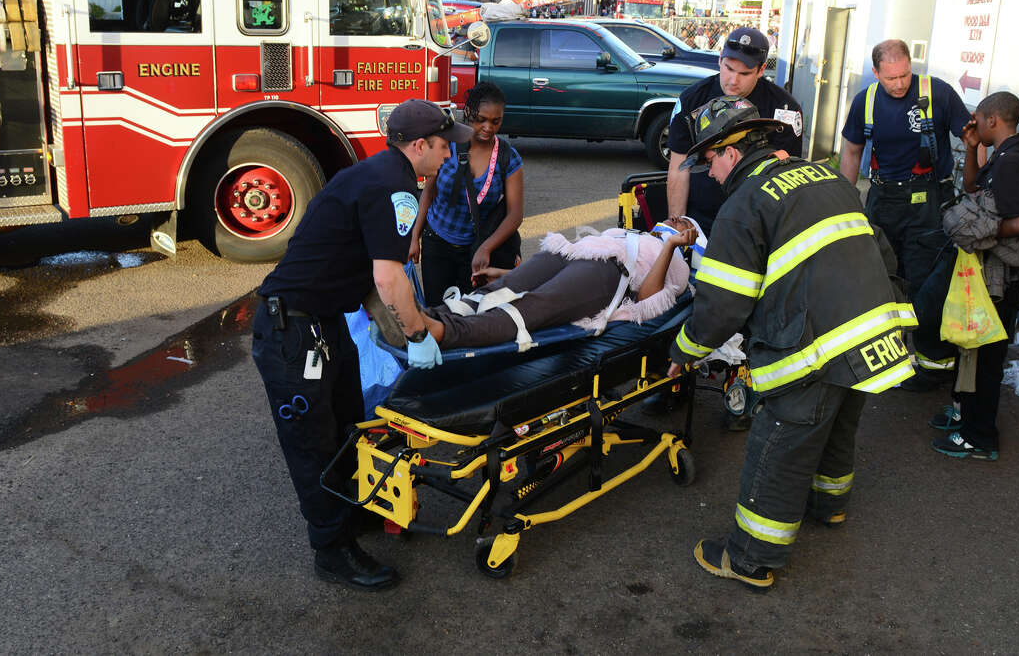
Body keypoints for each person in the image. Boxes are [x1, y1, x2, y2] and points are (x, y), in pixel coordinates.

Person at [666, 96, 917, 590]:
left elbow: (723, 303)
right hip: (873, 333)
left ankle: (750, 557)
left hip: (816, 346)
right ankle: (828, 506)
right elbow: (880, 249)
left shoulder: (743, 205)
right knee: (839, 422)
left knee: (779, 442)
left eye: (709, 161)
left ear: (732, 154)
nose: (708, 174)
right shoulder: (825, 176)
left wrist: (685, 352)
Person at [251, 99, 468, 591]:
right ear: (419, 146)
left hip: (322, 324)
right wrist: (416, 335)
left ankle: (353, 511)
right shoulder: (396, 188)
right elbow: (389, 277)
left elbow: (372, 280)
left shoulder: (381, 174)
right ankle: (332, 550)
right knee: (314, 443)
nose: (448, 157)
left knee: (349, 424)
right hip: (294, 334)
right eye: (442, 147)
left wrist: (400, 330)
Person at [838, 40, 972, 384]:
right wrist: (843, 200)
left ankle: (932, 364)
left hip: (927, 202)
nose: (899, 84)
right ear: (876, 73)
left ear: (911, 66)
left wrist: (976, 188)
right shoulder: (865, 101)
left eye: (904, 75)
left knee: (924, 282)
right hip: (883, 200)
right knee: (882, 279)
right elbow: (852, 151)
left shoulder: (937, 93)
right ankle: (891, 358)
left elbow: (974, 139)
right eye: (890, 78)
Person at [373, 219, 695, 350]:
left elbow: (648, 299)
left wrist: (671, 247)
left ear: (688, 234)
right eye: (674, 218)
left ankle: (439, 333)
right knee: (496, 291)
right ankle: (417, 318)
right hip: (573, 253)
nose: (675, 218)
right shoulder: (630, 232)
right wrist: (504, 273)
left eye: (683, 221)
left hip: (610, 275)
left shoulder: (676, 262)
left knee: (529, 308)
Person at [930, 91, 1019, 461]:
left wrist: (982, 233)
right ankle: (964, 413)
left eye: (978, 119)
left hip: (1004, 279)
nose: (974, 123)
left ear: (993, 119)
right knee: (973, 350)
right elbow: (974, 189)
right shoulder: (1004, 156)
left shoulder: (1014, 162)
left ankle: (980, 438)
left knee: (989, 360)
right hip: (988, 275)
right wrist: (972, 146)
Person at [666, 26, 803, 235]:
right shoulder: (691, 100)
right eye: (729, 68)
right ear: (720, 59)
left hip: (755, 223)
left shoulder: (784, 110)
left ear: (761, 69)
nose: (733, 80)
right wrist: (678, 227)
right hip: (701, 219)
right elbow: (679, 167)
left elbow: (786, 178)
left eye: (744, 73)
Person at [410, 82, 524, 303]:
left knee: (469, 313)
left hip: (476, 250)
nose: (488, 127)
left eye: (495, 121)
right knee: (437, 311)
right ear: (469, 113)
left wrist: (485, 248)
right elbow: (428, 192)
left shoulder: (508, 158)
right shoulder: (448, 144)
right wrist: (415, 237)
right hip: (436, 243)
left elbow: (515, 214)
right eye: (481, 119)